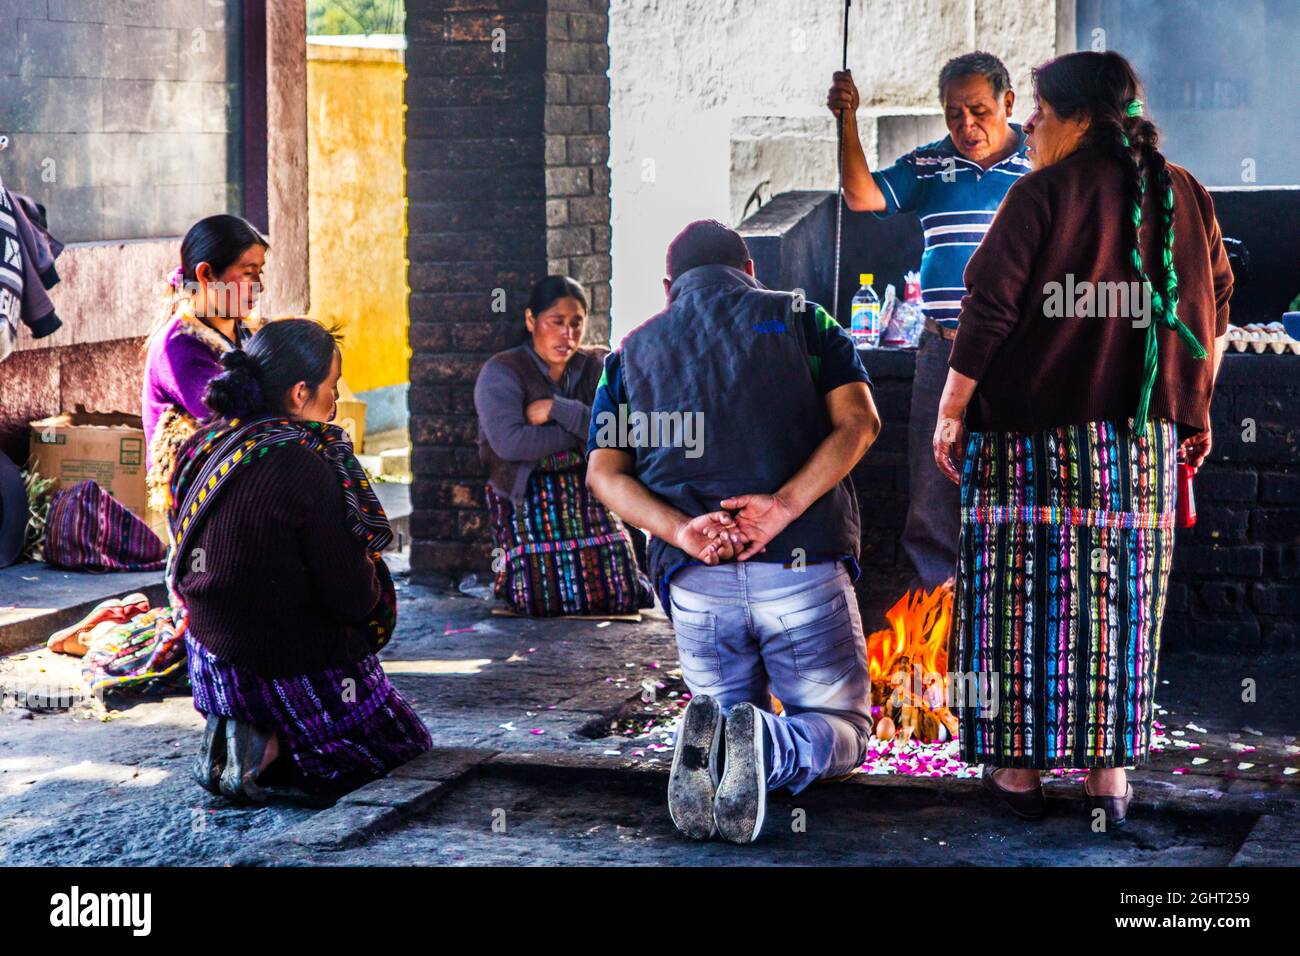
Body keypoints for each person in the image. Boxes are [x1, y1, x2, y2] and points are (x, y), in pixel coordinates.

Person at [933, 51, 1232, 826]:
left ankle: (1020, 777)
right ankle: (1109, 782)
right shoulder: (1186, 193)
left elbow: (989, 307)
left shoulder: (1043, 194)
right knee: (1122, 609)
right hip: (1140, 448)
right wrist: (1190, 407)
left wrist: (950, 408)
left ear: (1077, 116)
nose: (1029, 125)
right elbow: (1215, 304)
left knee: (1014, 607)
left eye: (1037, 109)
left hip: (1029, 445)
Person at [586, 220, 881, 844]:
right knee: (841, 726)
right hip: (800, 574)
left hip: (697, 581)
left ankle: (726, 738)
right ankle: (769, 745)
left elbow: (604, 474)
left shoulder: (629, 353)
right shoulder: (805, 320)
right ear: (751, 274)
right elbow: (861, 423)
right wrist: (781, 506)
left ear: (670, 288)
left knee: (719, 724)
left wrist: (683, 530)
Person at [172, 319, 431, 801]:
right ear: (299, 394)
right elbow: (354, 598)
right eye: (332, 388)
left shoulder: (204, 445)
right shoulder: (303, 464)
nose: (335, 402)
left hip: (208, 655)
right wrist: (372, 578)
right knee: (402, 743)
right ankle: (275, 748)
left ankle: (238, 726)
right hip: (267, 654)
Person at [828, 52, 1031, 592]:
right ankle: (938, 612)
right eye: (954, 113)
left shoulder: (1044, 163)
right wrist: (847, 120)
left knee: (1016, 477)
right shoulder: (928, 166)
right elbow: (860, 194)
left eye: (980, 110)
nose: (967, 125)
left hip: (1020, 352)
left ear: (1009, 103)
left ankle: (1004, 606)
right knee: (933, 486)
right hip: (941, 348)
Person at [473, 275, 653, 617]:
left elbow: (626, 431)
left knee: (620, 589)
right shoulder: (503, 372)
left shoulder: (600, 366)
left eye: (576, 324)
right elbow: (510, 444)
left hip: (593, 490)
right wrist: (587, 430)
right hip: (525, 494)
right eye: (556, 323)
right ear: (531, 321)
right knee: (534, 595)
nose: (567, 335)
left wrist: (559, 409)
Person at [142, 214, 268, 514]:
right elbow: (238, 417)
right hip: (204, 503)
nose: (259, 286)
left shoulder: (248, 333)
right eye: (249, 273)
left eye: (260, 273)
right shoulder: (178, 347)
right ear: (207, 275)